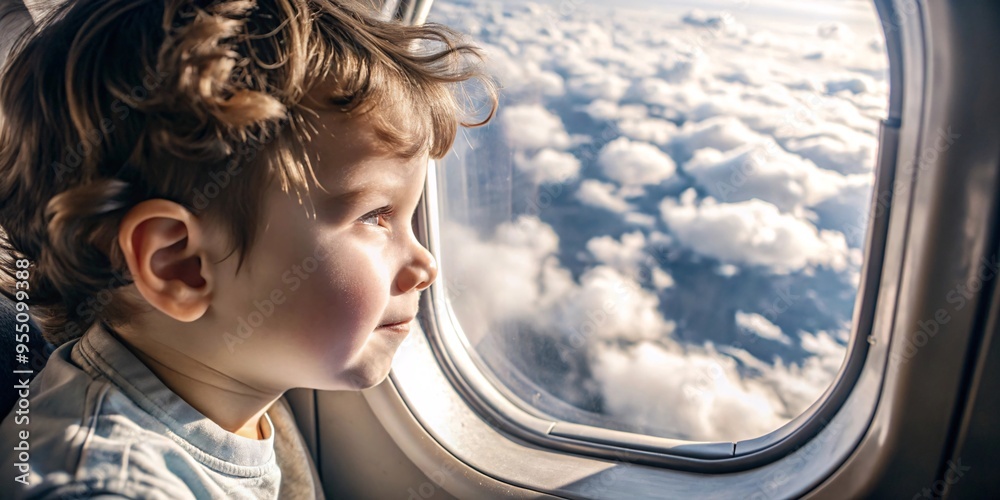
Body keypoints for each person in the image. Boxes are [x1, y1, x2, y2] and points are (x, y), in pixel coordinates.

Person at [0, 0, 496, 497]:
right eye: (375, 217)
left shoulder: (219, 398)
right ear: (179, 266)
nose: (425, 265)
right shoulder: (110, 483)